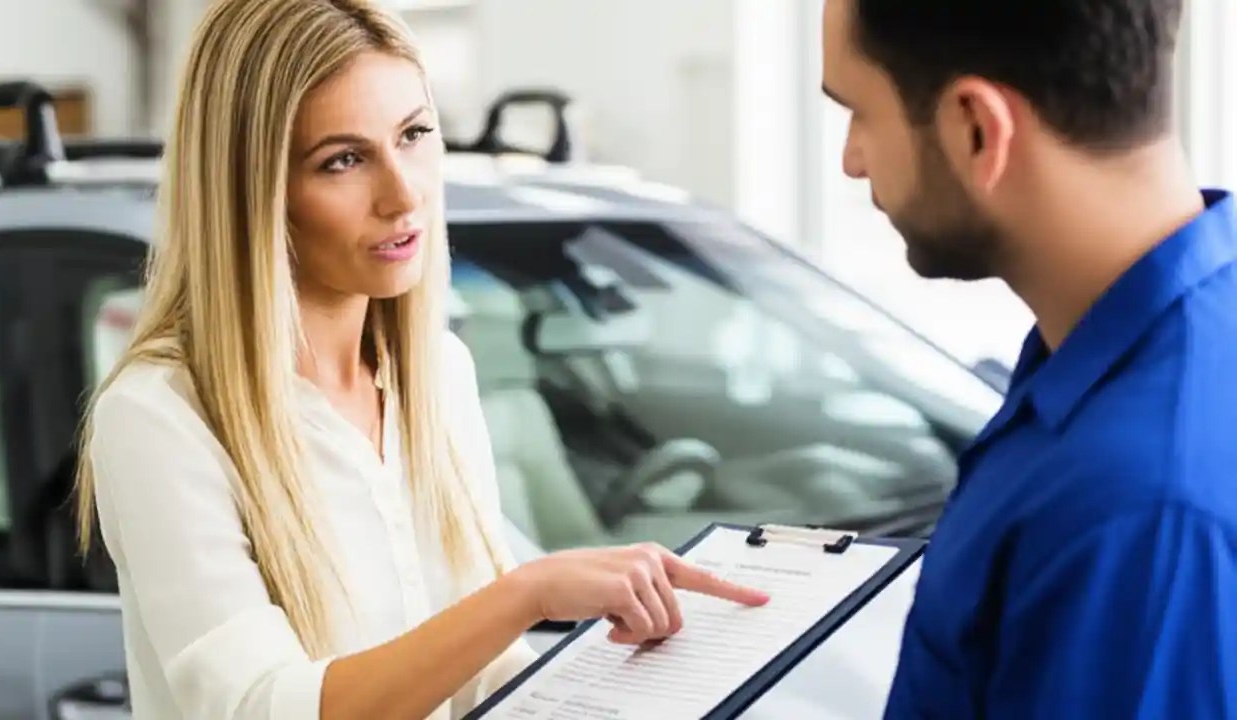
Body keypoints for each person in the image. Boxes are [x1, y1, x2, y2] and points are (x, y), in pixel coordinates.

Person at [71, 1, 769, 718]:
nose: (403, 194)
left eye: (413, 134)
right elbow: (261, 706)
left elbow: (482, 680)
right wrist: (526, 593)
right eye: (342, 160)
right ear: (256, 190)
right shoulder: (159, 417)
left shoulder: (440, 373)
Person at [822, 1, 1236, 717]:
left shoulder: (1134, 512)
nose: (851, 159)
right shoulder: (1129, 345)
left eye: (859, 112)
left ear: (977, 129)